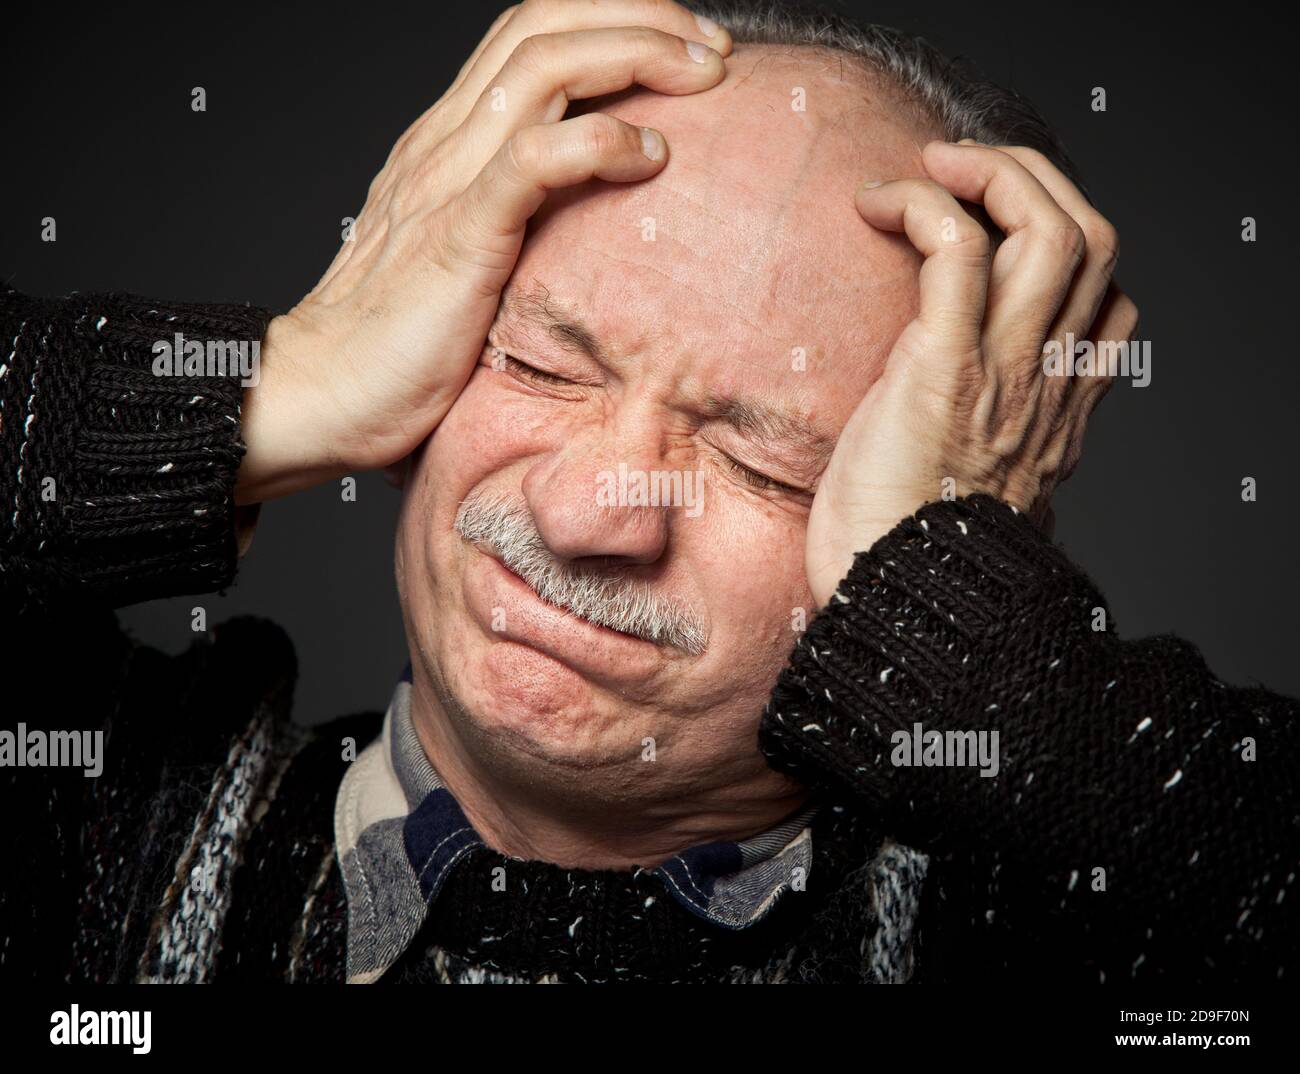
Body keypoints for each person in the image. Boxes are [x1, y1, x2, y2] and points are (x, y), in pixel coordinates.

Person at [1, 0, 1294, 984]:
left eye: (764, 460)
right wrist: (271, 386)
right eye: (539, 360)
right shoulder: (90, 810)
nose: (584, 516)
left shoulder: (1058, 934)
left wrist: (970, 642)